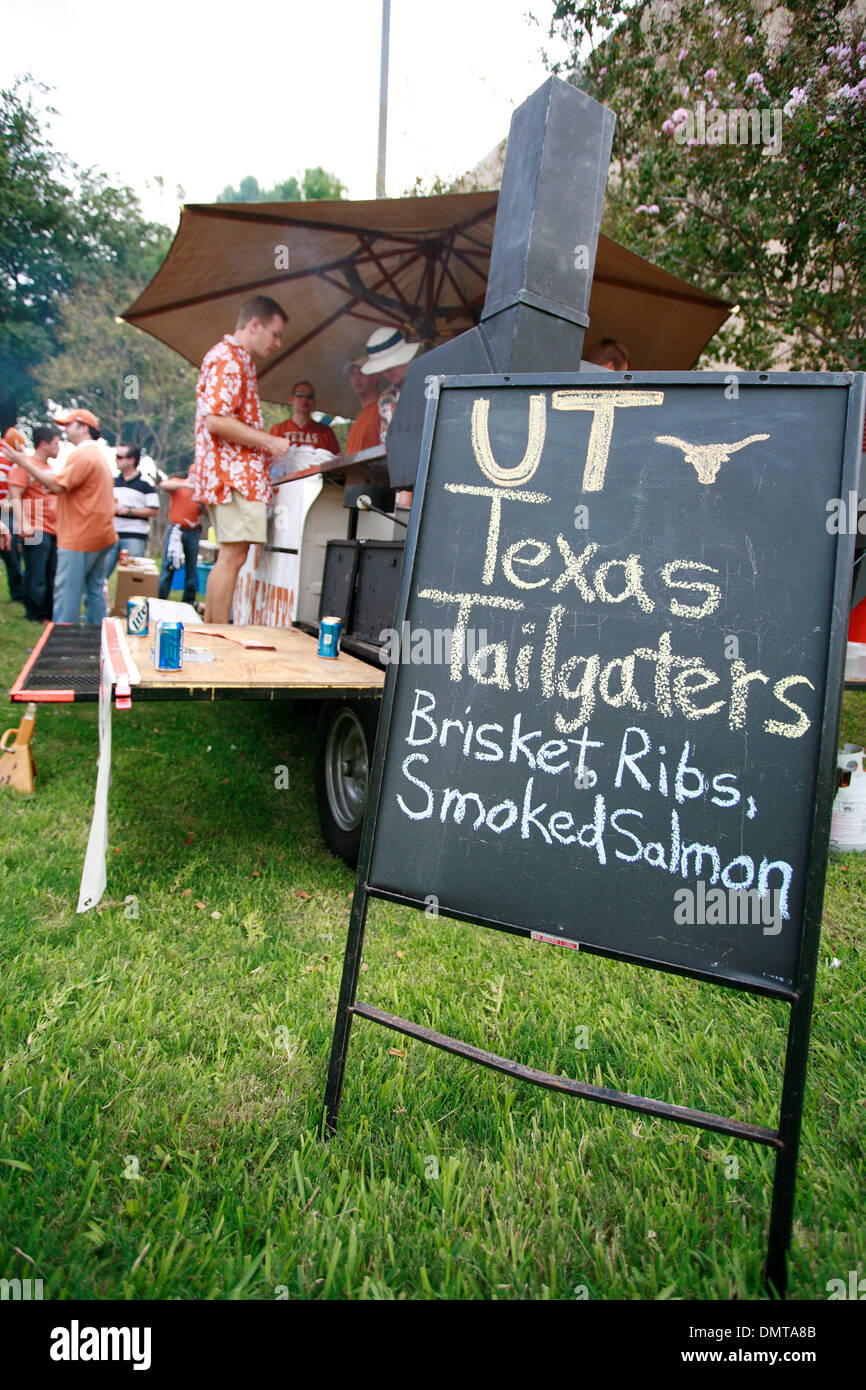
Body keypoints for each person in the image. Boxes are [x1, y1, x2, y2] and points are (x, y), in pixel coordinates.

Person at [193, 294, 292, 623]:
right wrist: (270, 442)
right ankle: (218, 636)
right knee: (232, 556)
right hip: (232, 475)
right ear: (254, 325)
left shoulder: (238, 360)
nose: (277, 343)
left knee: (231, 556)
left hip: (230, 474)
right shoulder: (230, 359)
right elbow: (216, 420)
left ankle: (214, 632)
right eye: (275, 334)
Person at [0, 408, 116, 624]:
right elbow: (17, 494)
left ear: (83, 428)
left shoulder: (81, 455)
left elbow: (57, 485)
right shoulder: (95, 455)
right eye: (56, 438)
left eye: (68, 426)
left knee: (65, 590)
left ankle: (61, 642)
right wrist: (23, 522)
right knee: (86, 587)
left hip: (79, 534)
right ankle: (93, 639)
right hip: (71, 530)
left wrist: (21, 460)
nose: (63, 433)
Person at [7, 425, 61, 621]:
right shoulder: (25, 465)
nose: (58, 448)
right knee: (36, 572)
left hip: (53, 528)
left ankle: (48, 612)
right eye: (56, 443)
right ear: (44, 444)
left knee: (50, 572)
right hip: (35, 526)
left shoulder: (49, 468)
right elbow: (15, 495)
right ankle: (35, 614)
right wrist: (22, 523)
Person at [104, 444, 159, 578]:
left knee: (131, 577)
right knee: (101, 575)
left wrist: (128, 511)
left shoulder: (146, 483)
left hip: (134, 537)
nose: (116, 460)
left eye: (120, 457)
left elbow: (154, 511)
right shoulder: (112, 481)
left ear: (132, 460)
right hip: (111, 534)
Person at [359, 326, 420, 446]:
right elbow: (386, 445)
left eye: (392, 365)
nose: (387, 372)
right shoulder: (385, 400)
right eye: (383, 369)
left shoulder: (432, 385)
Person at [158, 469, 206, 605]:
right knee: (168, 565)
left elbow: (206, 513)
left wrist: (202, 503)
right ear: (191, 474)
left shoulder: (200, 492)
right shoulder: (179, 484)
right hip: (176, 530)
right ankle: (161, 599)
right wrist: (187, 485)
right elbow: (164, 485)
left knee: (191, 568)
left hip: (193, 531)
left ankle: (188, 601)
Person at [269, 381, 340, 455]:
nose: (304, 400)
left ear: (314, 402)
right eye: (299, 395)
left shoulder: (326, 432)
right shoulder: (277, 430)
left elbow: (336, 459)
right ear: (291, 400)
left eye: (309, 396)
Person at [0, 426, 26, 605]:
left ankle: (18, 592)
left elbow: (15, 484)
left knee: (12, 552)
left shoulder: (14, 453)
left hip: (6, 509)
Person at [344, 357, 385, 454]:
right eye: (352, 374)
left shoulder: (384, 410)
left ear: (374, 377)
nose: (356, 378)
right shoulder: (357, 422)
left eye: (361, 372)